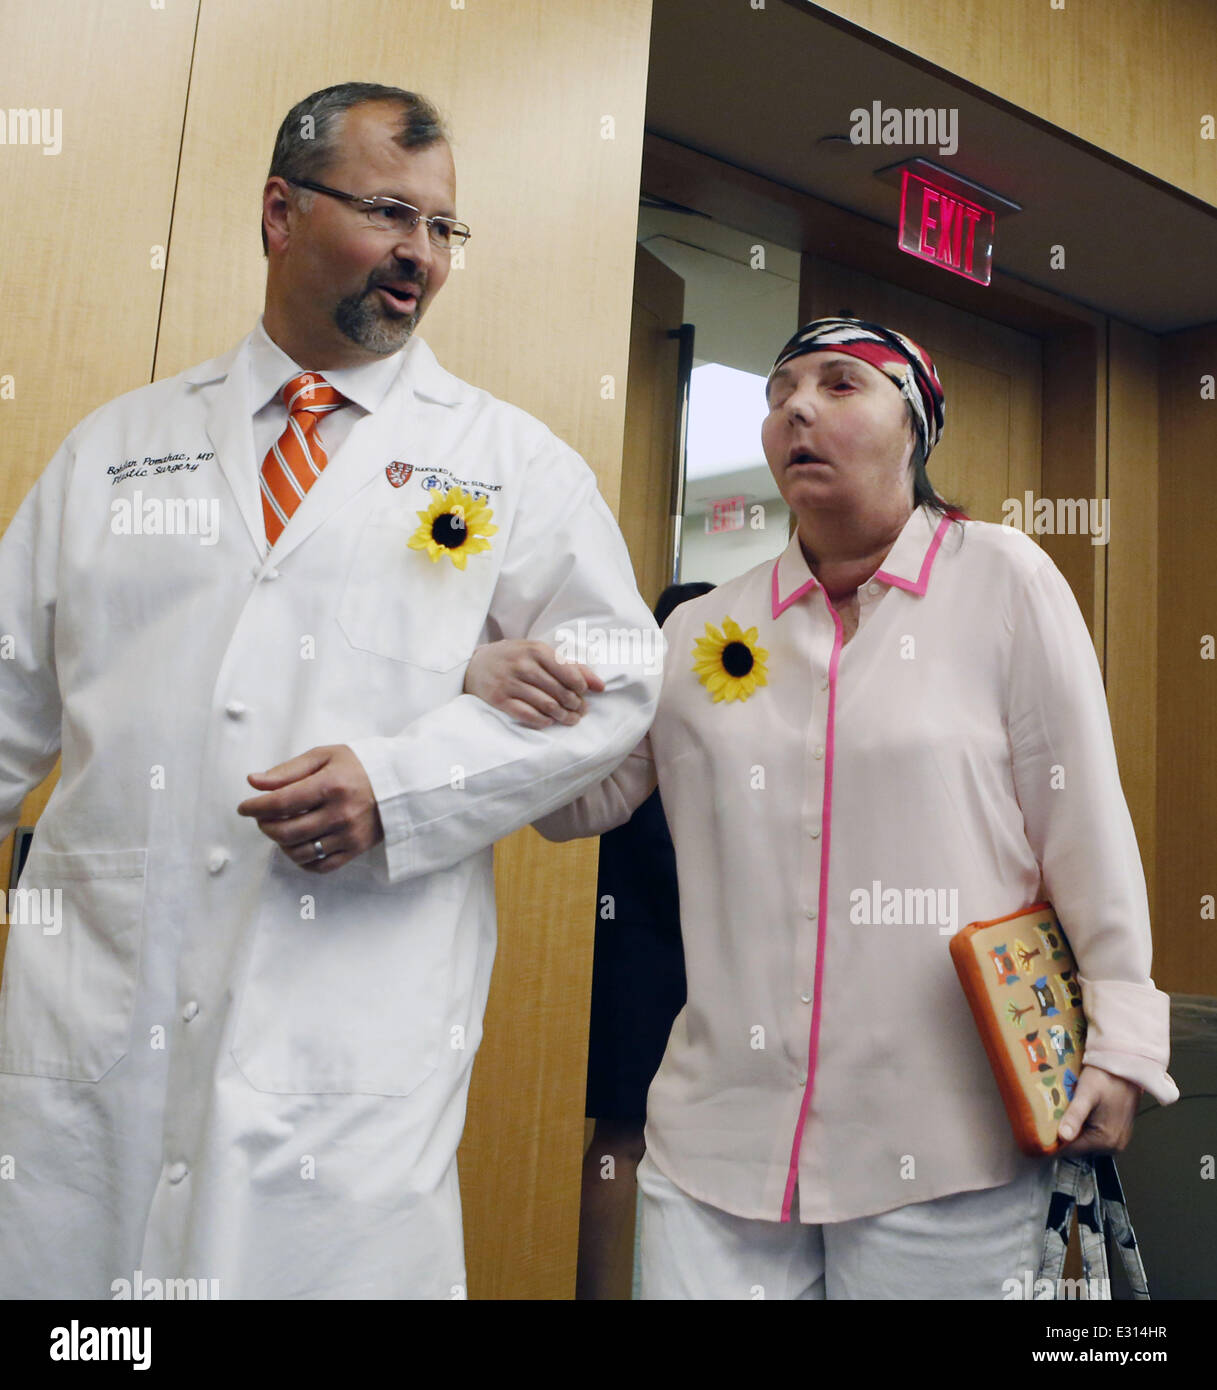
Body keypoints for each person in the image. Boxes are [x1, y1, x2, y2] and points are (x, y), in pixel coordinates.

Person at [0, 82, 659, 1299]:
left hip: (348, 1037)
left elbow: (619, 679)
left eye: (442, 229)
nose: (419, 256)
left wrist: (402, 784)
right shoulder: (114, 450)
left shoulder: (505, 461)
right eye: (389, 214)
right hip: (97, 1024)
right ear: (278, 212)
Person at [463, 316, 1179, 1299]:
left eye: (841, 385)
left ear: (915, 425)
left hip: (943, 1145)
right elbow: (577, 798)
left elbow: (1082, 821)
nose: (796, 405)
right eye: (778, 391)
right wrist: (489, 675)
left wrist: (1123, 1038)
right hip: (714, 1147)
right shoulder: (703, 628)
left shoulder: (1003, 579)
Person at [576, 582, 710, 1300]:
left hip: (643, 950)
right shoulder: (648, 724)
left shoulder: (637, 724)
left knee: (625, 1140)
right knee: (625, 1140)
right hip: (647, 952)